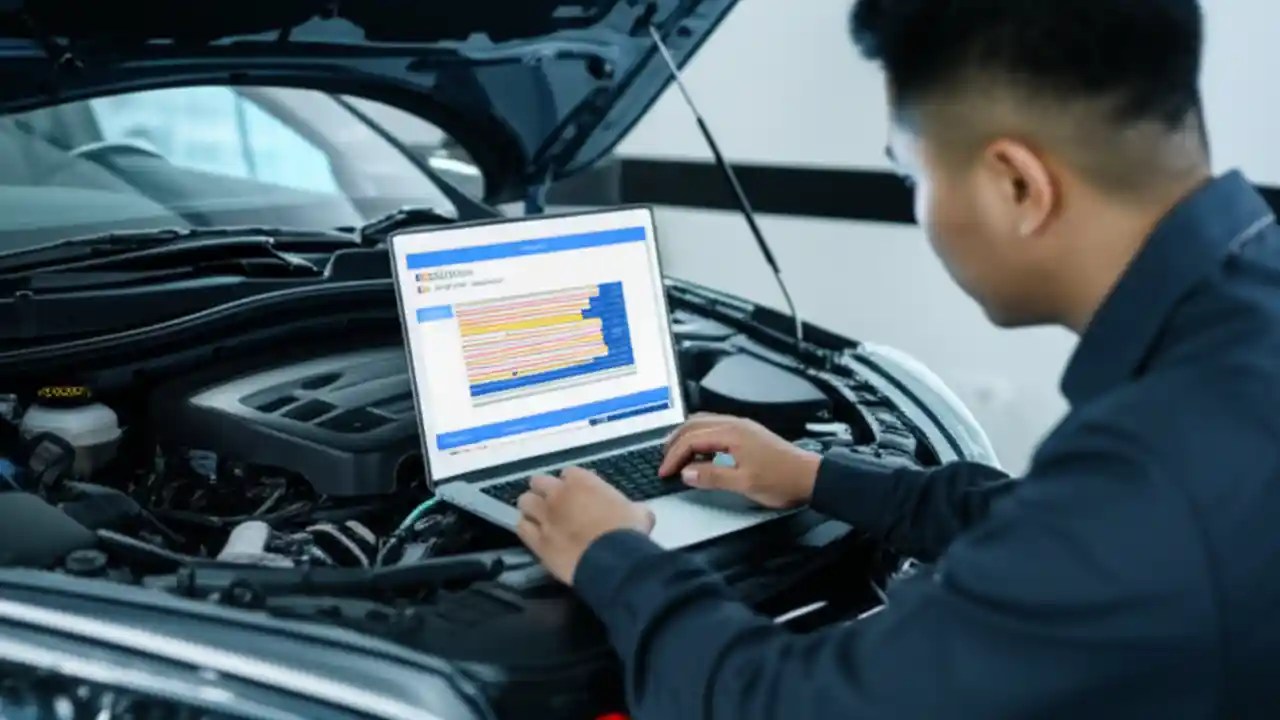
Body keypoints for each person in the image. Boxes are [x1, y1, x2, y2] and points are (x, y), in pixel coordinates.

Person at [514, 0, 1280, 716]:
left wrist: (612, 556)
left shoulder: (1161, 464)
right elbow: (1056, 523)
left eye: (912, 176)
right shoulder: (1238, 343)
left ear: (1016, 184)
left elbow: (789, 705)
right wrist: (816, 476)